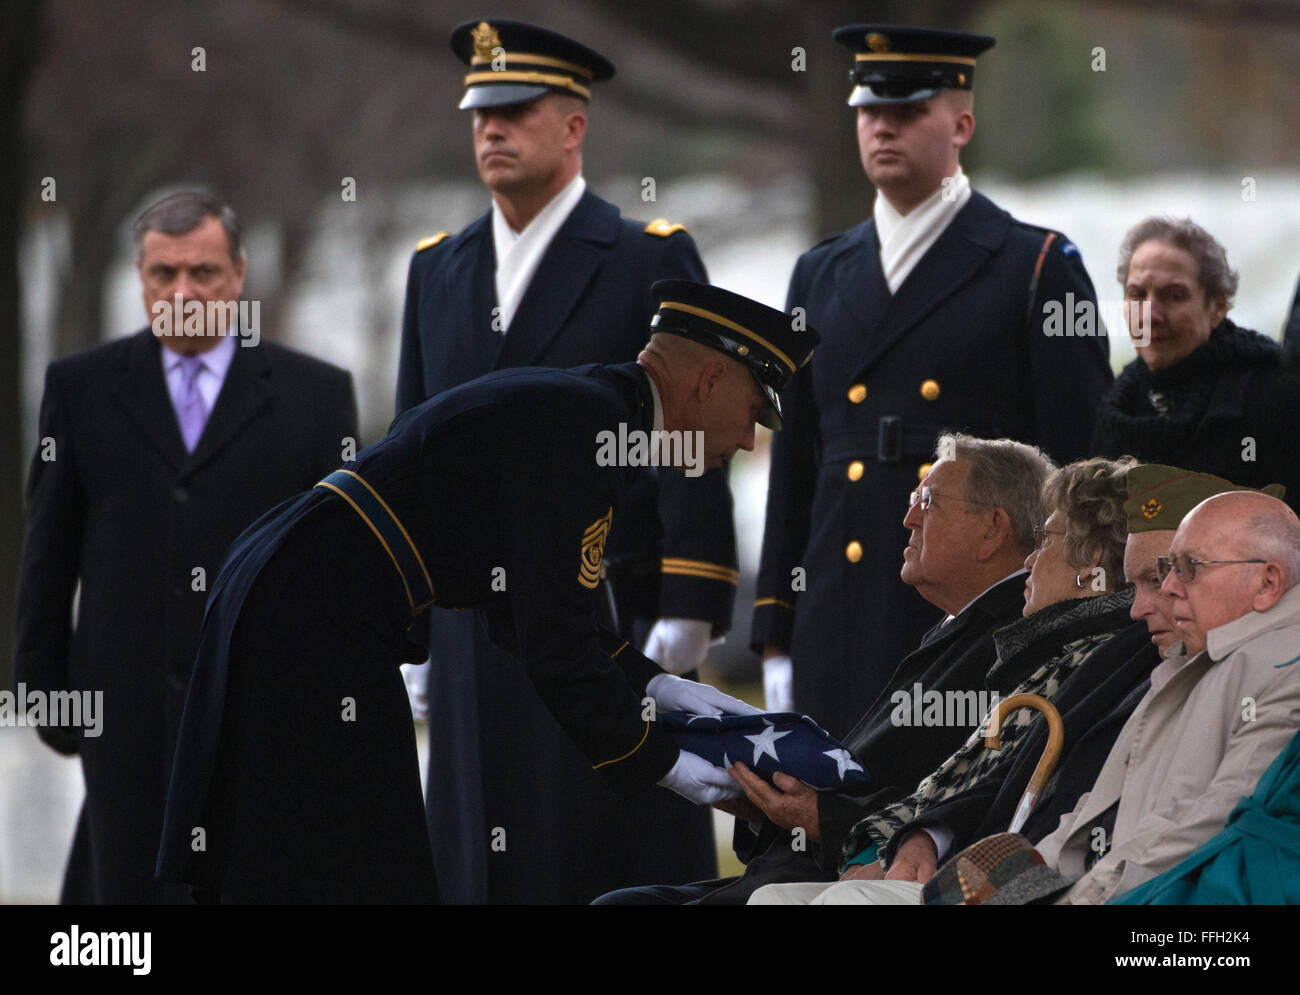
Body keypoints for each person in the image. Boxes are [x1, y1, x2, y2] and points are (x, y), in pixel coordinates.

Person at [154, 280, 817, 904]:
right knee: (345, 857)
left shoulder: (594, 412)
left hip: (301, 581)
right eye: (754, 414)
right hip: (315, 603)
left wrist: (673, 694)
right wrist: (681, 766)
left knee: (330, 855)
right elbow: (558, 652)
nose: (745, 440)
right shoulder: (591, 428)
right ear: (709, 378)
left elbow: (533, 614)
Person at [394, 18, 734, 903]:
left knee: (603, 848)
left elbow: (692, 429)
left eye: (515, 110)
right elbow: (408, 459)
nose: (491, 129)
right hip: (474, 630)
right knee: (483, 859)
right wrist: (410, 625)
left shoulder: (645, 258)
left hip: (606, 608)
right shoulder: (438, 270)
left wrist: (691, 592)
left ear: (576, 126)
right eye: (480, 113)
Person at [753, 24, 1112, 738]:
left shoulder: (1036, 265)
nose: (882, 127)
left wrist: (1074, 612)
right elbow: (797, 462)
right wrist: (775, 623)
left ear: (961, 124)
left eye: (908, 111)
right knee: (819, 829)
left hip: (974, 618)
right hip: (837, 607)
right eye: (868, 111)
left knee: (946, 837)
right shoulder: (818, 272)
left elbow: (1081, 464)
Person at [12, 192, 358, 903]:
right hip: (123, 719)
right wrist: (45, 693)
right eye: (162, 273)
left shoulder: (315, 396)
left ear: (239, 275)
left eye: (202, 272)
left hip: (260, 725)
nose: (182, 292)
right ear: (139, 277)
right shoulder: (79, 391)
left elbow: (341, 577)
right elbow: (46, 558)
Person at [746, 464, 1287, 903]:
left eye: (1183, 571)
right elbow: (1085, 816)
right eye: (1152, 577)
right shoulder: (1174, 660)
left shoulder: (1255, 667)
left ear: (1268, 580)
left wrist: (1048, 895)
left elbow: (1206, 837)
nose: (1149, 602)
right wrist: (1017, 880)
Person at [594, 433, 1051, 904]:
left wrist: (817, 814)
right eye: (915, 499)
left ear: (993, 529)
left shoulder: (1012, 642)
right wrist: (765, 802)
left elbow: (972, 800)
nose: (909, 517)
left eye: (928, 501)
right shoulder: (967, 626)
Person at [1093, 216, 1300, 507]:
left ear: (1217, 307)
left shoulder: (1274, 395)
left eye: (1173, 296)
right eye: (1136, 295)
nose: (1149, 316)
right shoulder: (1119, 406)